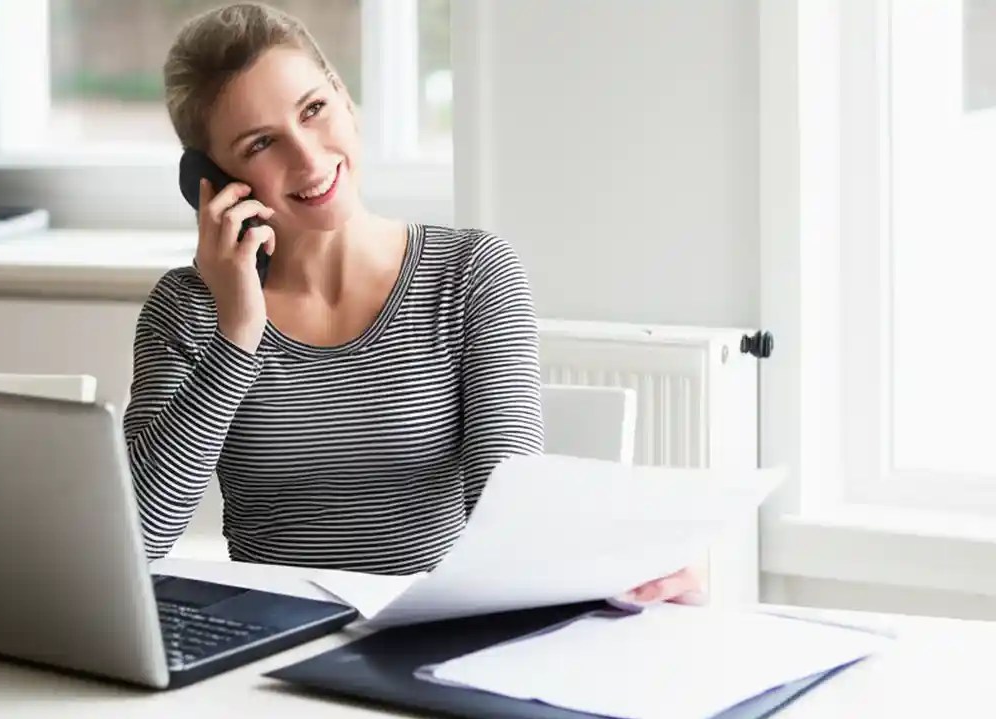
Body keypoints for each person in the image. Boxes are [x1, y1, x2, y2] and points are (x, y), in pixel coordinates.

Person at [123, 2, 701, 603]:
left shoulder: (472, 273)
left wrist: (636, 566)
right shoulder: (189, 309)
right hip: (268, 658)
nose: (308, 157)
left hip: (429, 634)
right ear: (211, 181)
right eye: (262, 142)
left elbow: (511, 512)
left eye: (314, 109)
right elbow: (136, 543)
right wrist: (237, 333)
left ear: (345, 97)